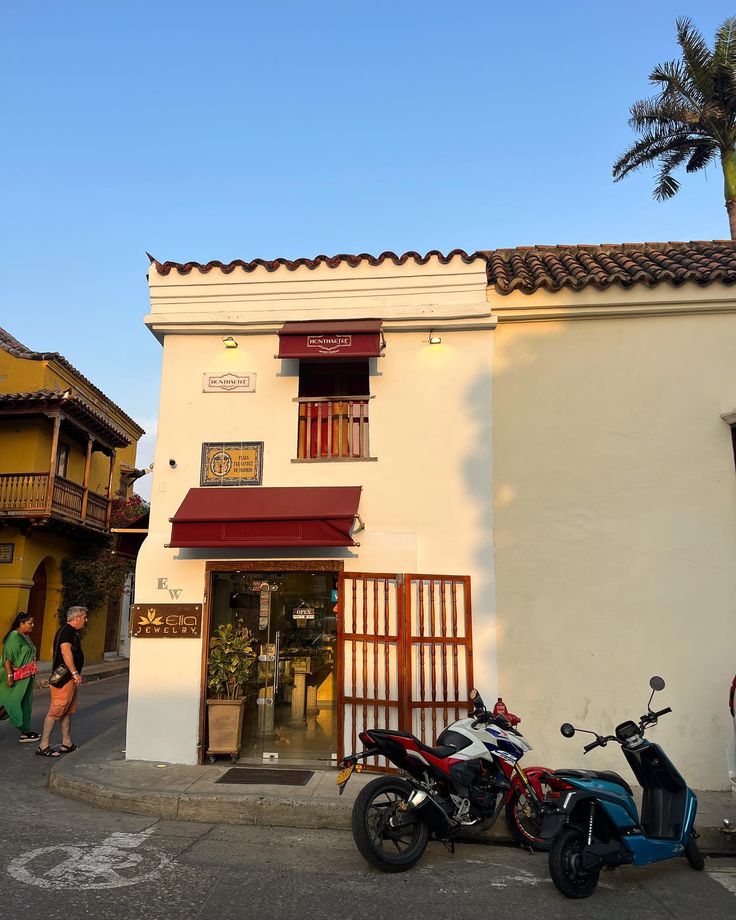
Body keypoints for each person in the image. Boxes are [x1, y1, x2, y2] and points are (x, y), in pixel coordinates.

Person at [36, 605, 88, 757]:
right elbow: (66, 652)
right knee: (56, 710)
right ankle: (43, 745)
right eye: (84, 617)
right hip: (64, 678)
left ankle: (67, 743)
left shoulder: (70, 632)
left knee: (67, 711)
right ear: (77, 617)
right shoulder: (67, 632)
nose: (86, 620)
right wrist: (74, 673)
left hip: (68, 679)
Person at [0, 612, 40, 742]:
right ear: (21, 624)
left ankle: (25, 732)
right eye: (30, 623)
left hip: (26, 677)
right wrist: (10, 677)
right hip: (15, 678)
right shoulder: (14, 636)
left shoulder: (24, 636)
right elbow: (7, 659)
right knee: (9, 703)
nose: (32, 625)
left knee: (23, 703)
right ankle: (25, 731)